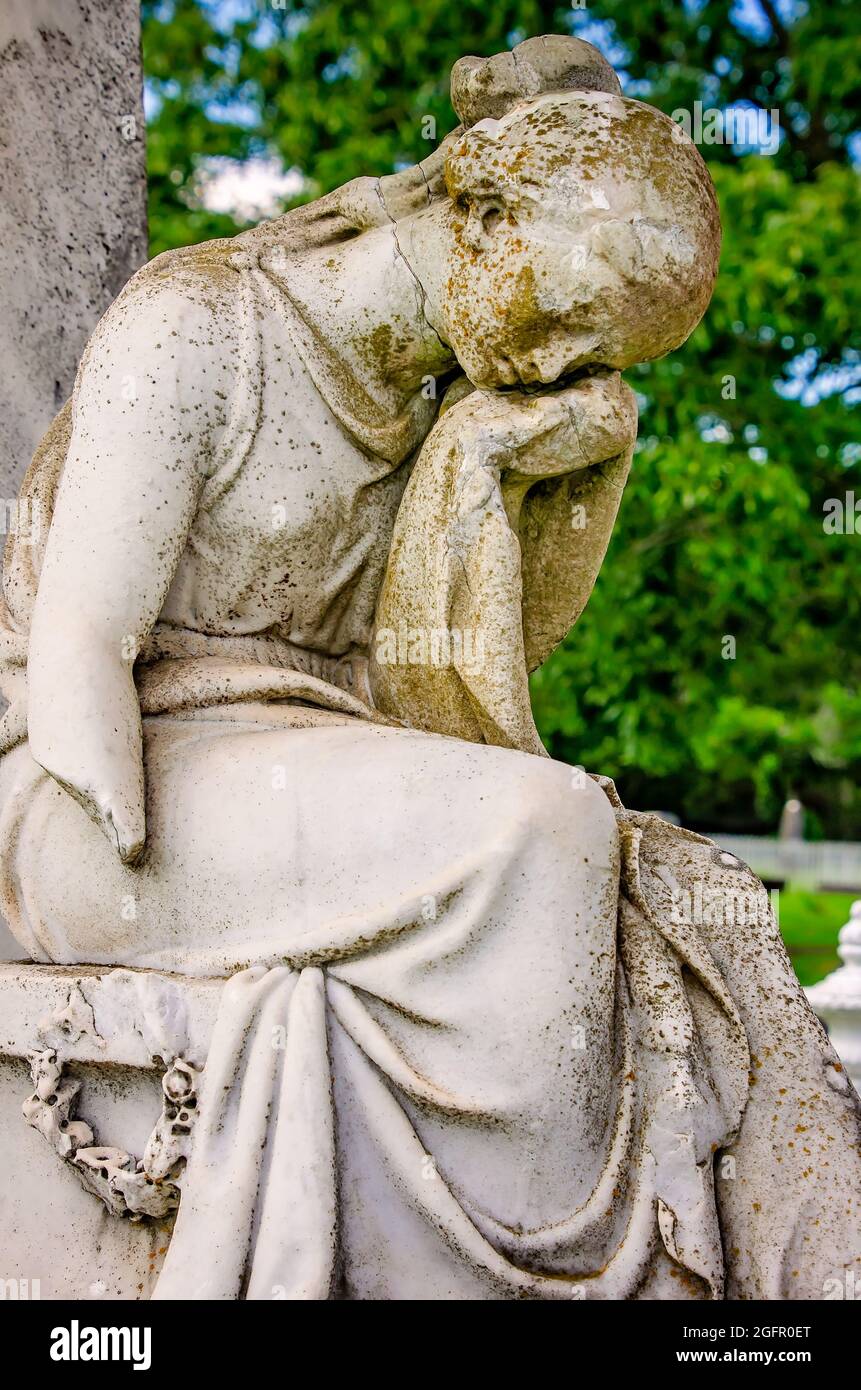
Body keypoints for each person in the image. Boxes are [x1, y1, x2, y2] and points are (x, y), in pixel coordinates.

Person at [1, 37, 857, 1301]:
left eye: (600, 356)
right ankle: (513, 1274)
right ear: (486, 207)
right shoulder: (199, 323)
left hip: (296, 772)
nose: (561, 364)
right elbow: (76, 658)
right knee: (543, 828)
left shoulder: (438, 422)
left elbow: (468, 691)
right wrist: (145, 879)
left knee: (663, 883)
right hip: (93, 799)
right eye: (567, 314)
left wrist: (550, 478)